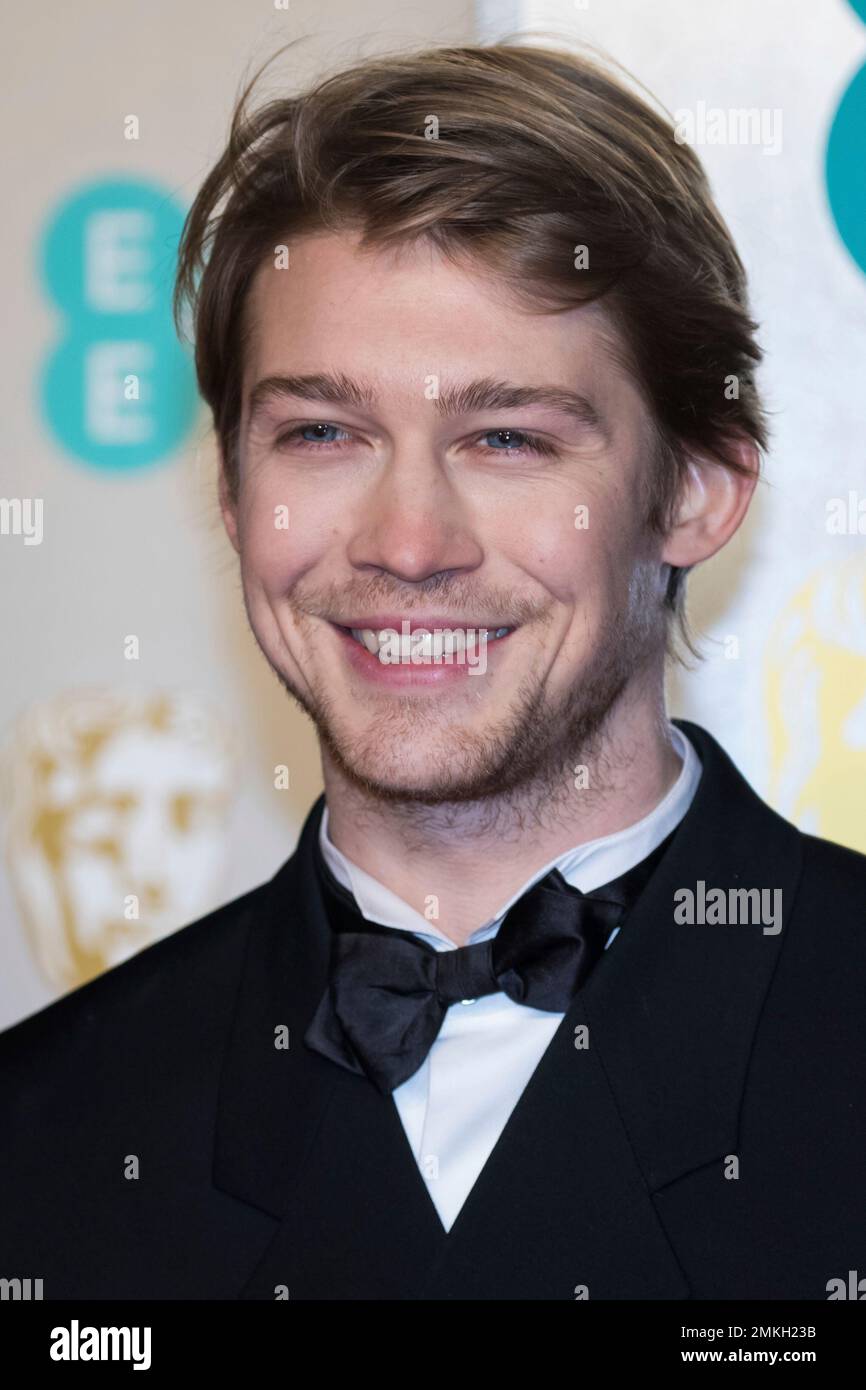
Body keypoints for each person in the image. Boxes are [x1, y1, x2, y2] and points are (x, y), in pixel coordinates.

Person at [2, 40, 864, 1301]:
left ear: (695, 489)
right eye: (322, 433)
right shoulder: (44, 1137)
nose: (406, 543)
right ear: (235, 493)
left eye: (505, 436)